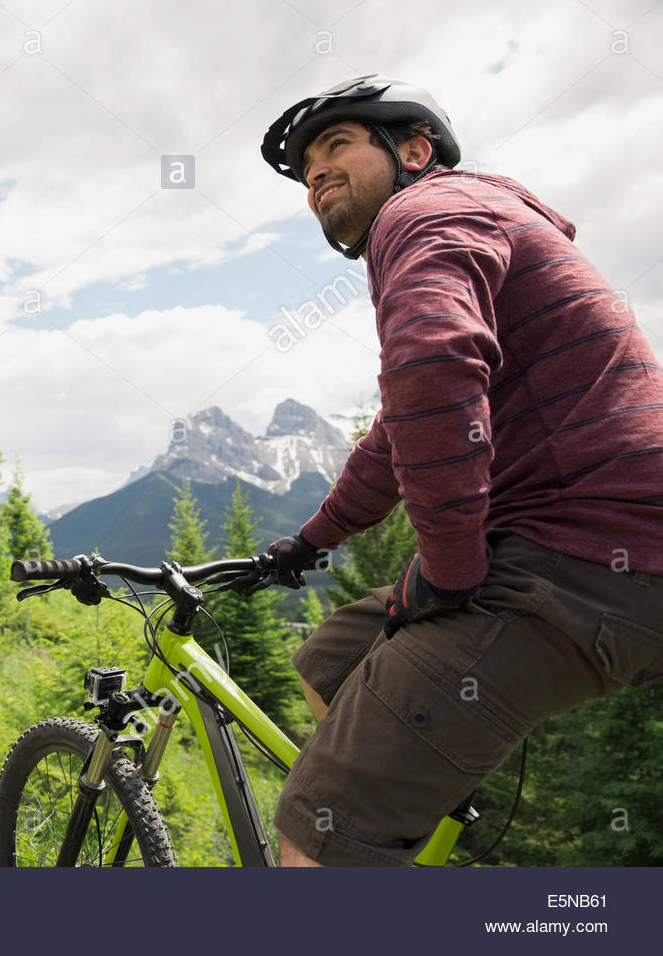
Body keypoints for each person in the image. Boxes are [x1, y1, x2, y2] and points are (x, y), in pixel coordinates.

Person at [258, 75, 663, 866]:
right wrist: (310, 543)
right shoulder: (477, 218)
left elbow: (436, 362)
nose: (317, 176)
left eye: (337, 145)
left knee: (318, 834)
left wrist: (447, 569)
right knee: (331, 658)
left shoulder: (426, 210)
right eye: (307, 171)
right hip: (585, 547)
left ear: (415, 152)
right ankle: (408, 810)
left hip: (584, 563)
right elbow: (396, 436)